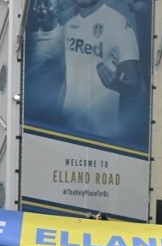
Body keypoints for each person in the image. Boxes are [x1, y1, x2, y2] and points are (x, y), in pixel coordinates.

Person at [25, 0, 147, 143]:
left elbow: (139, 88)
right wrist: (56, 121)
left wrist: (118, 85)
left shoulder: (118, 23)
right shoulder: (70, 25)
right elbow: (67, 79)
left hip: (101, 135)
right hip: (66, 129)